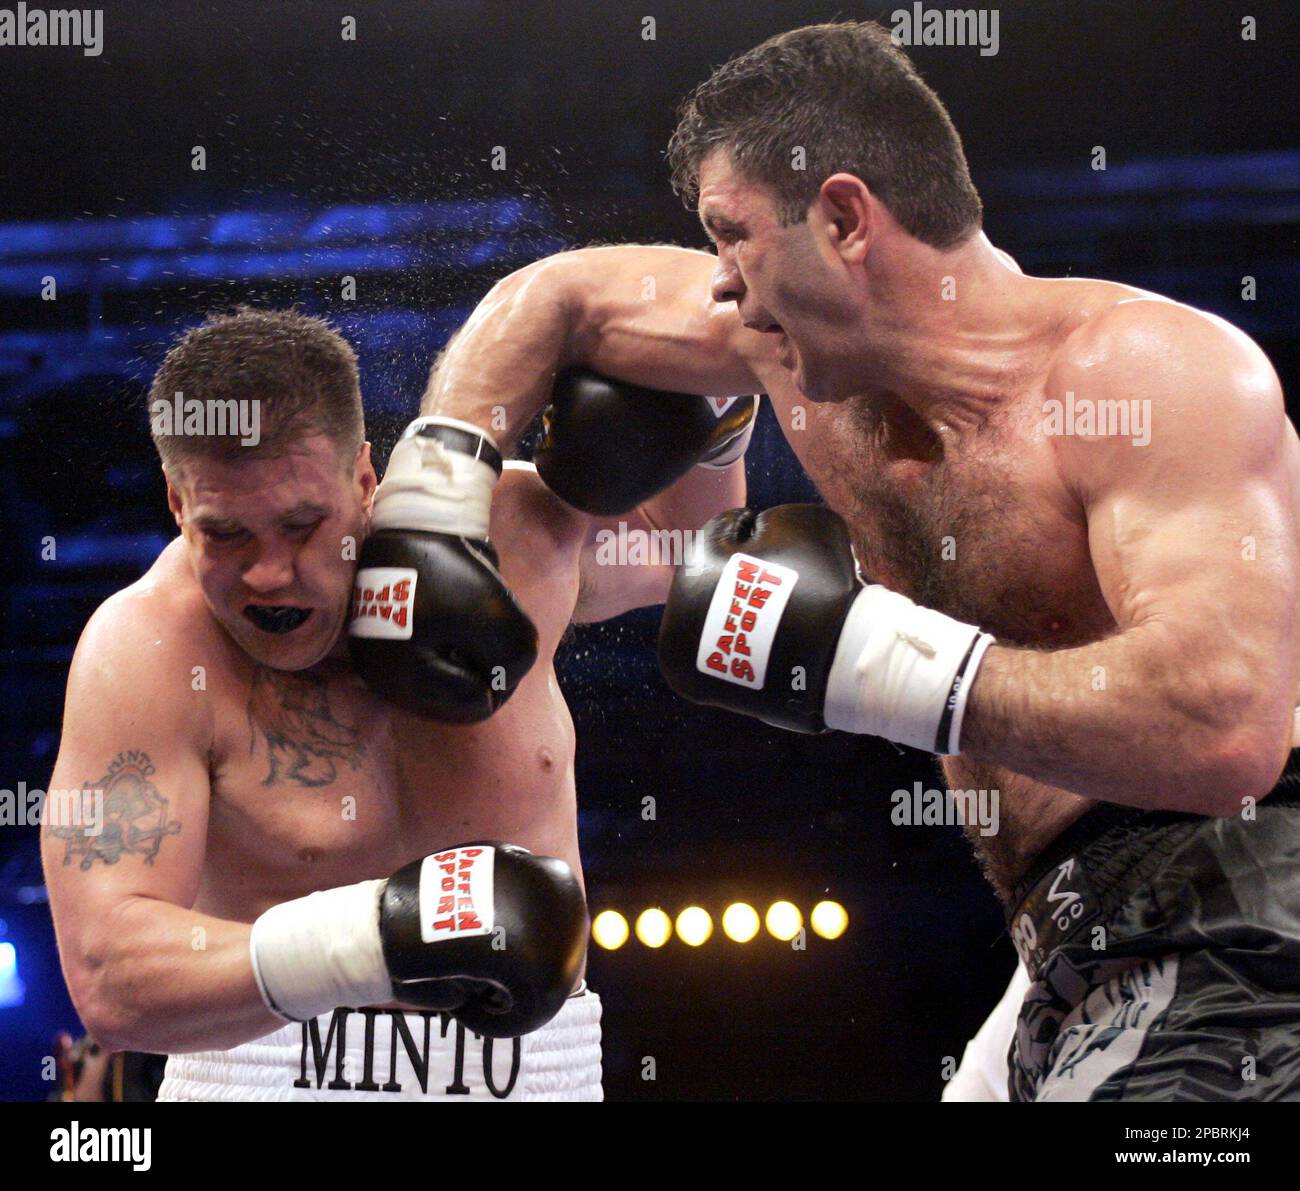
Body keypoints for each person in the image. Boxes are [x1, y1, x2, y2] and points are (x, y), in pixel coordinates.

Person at [413, 21, 1300, 1100]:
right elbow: (562, 298)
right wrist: (432, 498)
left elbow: (1224, 730)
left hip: (1242, 905)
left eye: (731, 234)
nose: (720, 284)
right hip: (1060, 939)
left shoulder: (1148, 374)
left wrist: (866, 660)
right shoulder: (790, 353)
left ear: (842, 220)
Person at [41, 306, 752, 1101]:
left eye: (302, 525)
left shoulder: (504, 541)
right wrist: (372, 941)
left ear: (365, 479)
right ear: (178, 504)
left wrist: (716, 411)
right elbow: (109, 976)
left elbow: (696, 554)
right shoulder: (148, 648)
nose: (270, 572)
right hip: (263, 1074)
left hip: (535, 1076)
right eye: (227, 534)